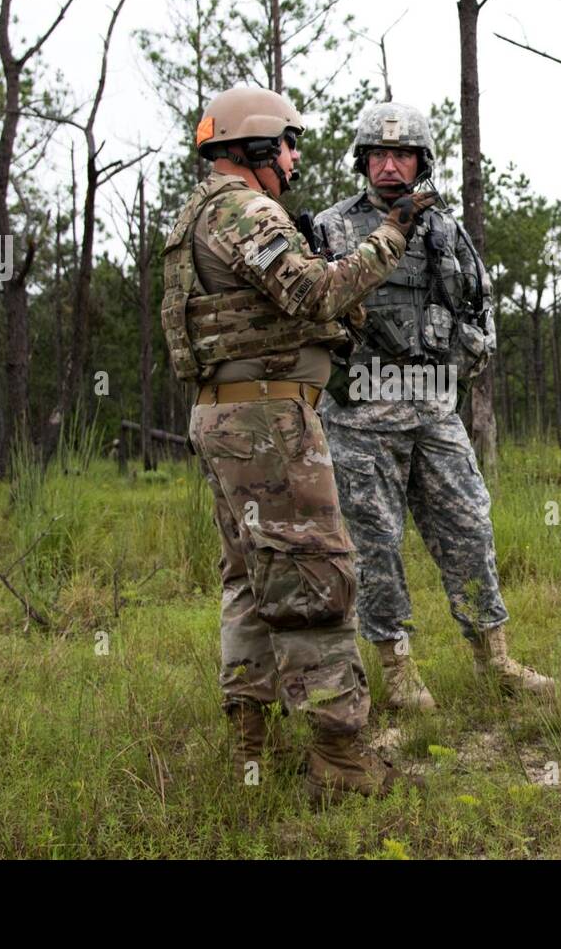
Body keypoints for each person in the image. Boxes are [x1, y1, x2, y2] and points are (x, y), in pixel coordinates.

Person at [160, 85, 436, 803]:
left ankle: (250, 741)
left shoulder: (197, 213)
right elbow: (317, 294)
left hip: (229, 415)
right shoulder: (242, 207)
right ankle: (341, 761)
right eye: (285, 143)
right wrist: (393, 235)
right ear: (251, 147)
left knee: (252, 583)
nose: (292, 157)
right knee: (316, 577)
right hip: (268, 426)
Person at [313, 102, 555, 710]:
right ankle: (397, 671)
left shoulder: (444, 229)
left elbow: (479, 308)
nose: (390, 166)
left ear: (421, 162)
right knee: (375, 547)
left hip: (432, 414)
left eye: (403, 156)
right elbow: (310, 313)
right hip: (360, 421)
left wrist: (452, 373)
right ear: (363, 162)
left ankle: (494, 660)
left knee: (469, 529)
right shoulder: (332, 228)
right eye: (379, 155)